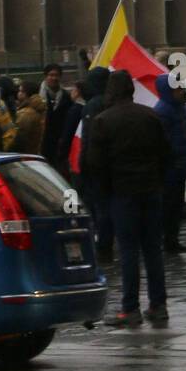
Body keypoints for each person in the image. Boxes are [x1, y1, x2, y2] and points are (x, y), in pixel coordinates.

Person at [86, 71, 172, 327]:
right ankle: (158, 305)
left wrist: (103, 194)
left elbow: (95, 164)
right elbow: (166, 154)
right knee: (153, 249)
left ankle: (130, 308)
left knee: (128, 250)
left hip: (122, 194)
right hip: (150, 191)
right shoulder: (150, 115)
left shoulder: (103, 121)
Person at [153, 73, 186, 253]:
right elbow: (163, 142)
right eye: (177, 88)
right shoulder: (163, 111)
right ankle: (168, 240)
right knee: (168, 206)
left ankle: (172, 240)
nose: (181, 91)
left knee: (175, 206)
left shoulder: (178, 108)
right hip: (170, 167)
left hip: (178, 165)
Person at [77, 67, 114, 257]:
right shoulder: (113, 102)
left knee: (100, 207)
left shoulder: (92, 106)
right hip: (114, 162)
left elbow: (87, 138)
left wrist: (82, 165)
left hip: (96, 164)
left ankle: (104, 246)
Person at [39, 63, 73, 168]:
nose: (54, 78)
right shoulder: (37, 95)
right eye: (51, 75)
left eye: (56, 75)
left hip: (59, 142)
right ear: (45, 76)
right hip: (41, 141)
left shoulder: (67, 97)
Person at [14, 81, 47, 155]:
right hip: (34, 153)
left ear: (26, 94)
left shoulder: (26, 114)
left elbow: (19, 139)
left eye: (21, 91)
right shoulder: (36, 109)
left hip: (24, 155)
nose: (18, 93)